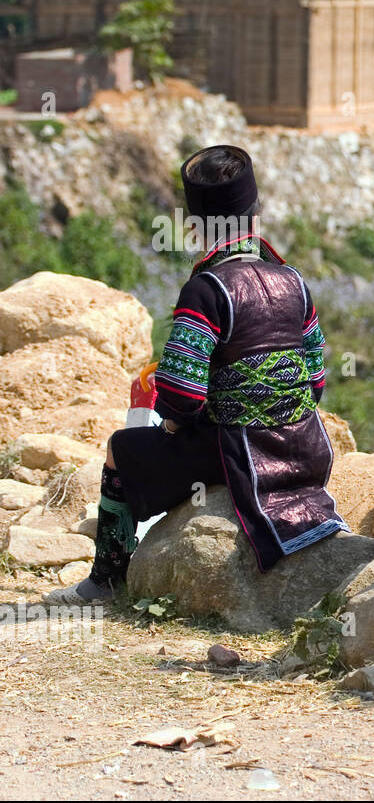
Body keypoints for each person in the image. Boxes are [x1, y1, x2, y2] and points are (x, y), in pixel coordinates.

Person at [45, 145, 345, 605]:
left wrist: (171, 420)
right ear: (256, 216)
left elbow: (182, 397)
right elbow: (316, 383)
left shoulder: (207, 289)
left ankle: (104, 581)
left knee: (121, 448)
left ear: (195, 227)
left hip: (240, 454)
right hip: (308, 451)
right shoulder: (295, 282)